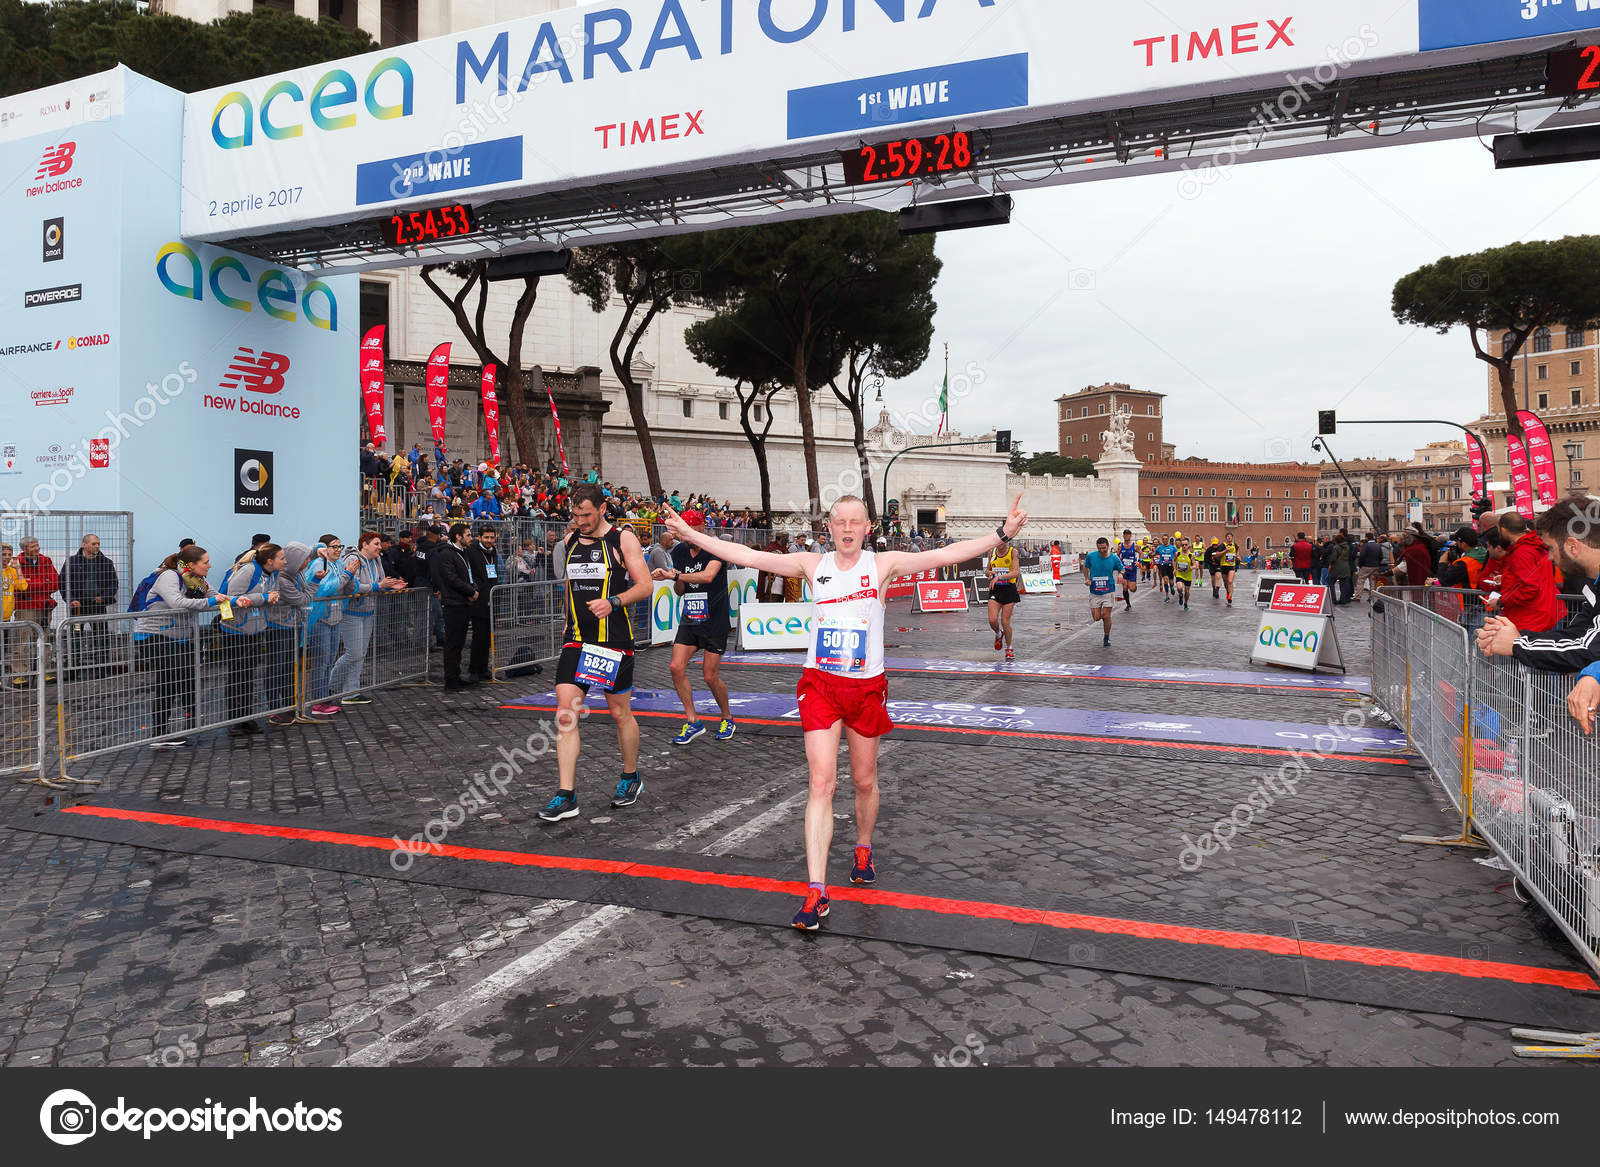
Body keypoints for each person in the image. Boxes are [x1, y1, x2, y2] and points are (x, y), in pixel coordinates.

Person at [661, 492, 1029, 930]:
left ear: (867, 527)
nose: (849, 529)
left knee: (863, 779)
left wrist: (1002, 534)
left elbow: (947, 552)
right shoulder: (812, 566)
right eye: (841, 522)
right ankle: (816, 890)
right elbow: (747, 554)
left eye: (856, 522)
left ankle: (863, 846)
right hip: (820, 685)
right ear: (830, 529)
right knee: (821, 781)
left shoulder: (884, 564)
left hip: (866, 688)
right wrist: (690, 534)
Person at [537, 483, 654, 823]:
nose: (580, 520)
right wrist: (566, 620)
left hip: (613, 641)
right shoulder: (570, 541)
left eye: (586, 514)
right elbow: (571, 588)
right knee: (565, 714)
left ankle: (631, 776)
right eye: (575, 515)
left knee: (620, 714)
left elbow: (645, 585)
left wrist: (614, 602)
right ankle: (566, 794)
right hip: (576, 640)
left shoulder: (623, 540)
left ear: (603, 508)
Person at [1478, 497, 1600, 730]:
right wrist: (1516, 638)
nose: (1550, 558)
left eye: (1551, 549)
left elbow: (1586, 648)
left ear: (1573, 546)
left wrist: (1518, 643)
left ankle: (1537, 723)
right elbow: (1578, 635)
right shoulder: (1594, 584)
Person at [133, 545, 260, 749]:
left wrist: (238, 601)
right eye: (206, 562)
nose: (210, 565)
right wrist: (212, 601)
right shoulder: (170, 577)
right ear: (191, 564)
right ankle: (161, 733)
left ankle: (181, 728)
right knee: (174, 677)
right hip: (154, 635)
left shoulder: (198, 580)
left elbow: (217, 597)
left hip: (178, 637)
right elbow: (176, 602)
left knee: (177, 679)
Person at [658, 510, 736, 744]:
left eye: (688, 531)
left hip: (714, 618)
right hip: (691, 616)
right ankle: (693, 721)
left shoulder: (714, 547)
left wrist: (676, 576)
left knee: (710, 675)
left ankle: (727, 717)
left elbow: (708, 576)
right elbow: (680, 590)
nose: (684, 537)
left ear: (701, 528)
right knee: (675, 667)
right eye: (682, 532)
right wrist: (674, 578)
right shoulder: (679, 551)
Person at [327, 531, 408, 706]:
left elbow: (378, 583)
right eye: (376, 544)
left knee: (360, 654)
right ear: (365, 544)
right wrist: (379, 586)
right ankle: (331, 685)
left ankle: (351, 691)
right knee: (353, 653)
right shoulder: (352, 559)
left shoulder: (376, 560)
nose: (380, 547)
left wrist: (390, 587)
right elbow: (352, 587)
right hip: (352, 613)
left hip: (368, 612)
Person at [221, 542, 285, 736]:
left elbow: (270, 594)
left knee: (249, 677)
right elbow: (230, 597)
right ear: (269, 560)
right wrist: (265, 598)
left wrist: (271, 597)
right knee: (237, 677)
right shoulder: (249, 571)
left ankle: (247, 718)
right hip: (237, 631)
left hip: (256, 629)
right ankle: (235, 720)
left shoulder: (272, 574)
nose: (285, 561)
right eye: (281, 558)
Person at [1483, 511, 1564, 633]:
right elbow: (1535, 577)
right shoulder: (1533, 546)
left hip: (1533, 619)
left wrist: (1500, 602)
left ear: (1504, 530)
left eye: (1499, 530)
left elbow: (1529, 588)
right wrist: (1506, 578)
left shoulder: (1522, 552)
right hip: (1544, 613)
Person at [433, 523, 480, 690]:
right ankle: (451, 680)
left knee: (460, 643)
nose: (471, 538)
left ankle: (456, 675)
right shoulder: (446, 554)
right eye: (467, 535)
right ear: (458, 536)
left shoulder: (463, 553)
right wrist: (470, 590)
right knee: (452, 643)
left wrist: (473, 588)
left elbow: (467, 574)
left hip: (464, 602)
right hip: (453, 603)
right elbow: (451, 578)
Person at [14, 538, 58, 682]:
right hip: (25, 607)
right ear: (24, 549)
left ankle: (45, 671)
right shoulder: (16, 563)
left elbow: (54, 584)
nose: (36, 549)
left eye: (37, 545)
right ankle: (20, 674)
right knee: (23, 640)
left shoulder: (46, 561)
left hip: (44, 606)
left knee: (44, 639)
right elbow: (19, 587)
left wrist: (30, 583)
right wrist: (42, 583)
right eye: (32, 547)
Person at [464, 525, 500, 682]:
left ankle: (484, 668)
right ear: (479, 537)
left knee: (487, 636)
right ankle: (474, 669)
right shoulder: (472, 551)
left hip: (491, 597)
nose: (489, 540)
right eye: (486, 537)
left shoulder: (493, 552)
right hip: (478, 598)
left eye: (492, 537)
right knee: (478, 636)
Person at [1082, 537, 1121, 646]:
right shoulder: (1091, 556)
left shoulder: (1114, 558)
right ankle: (1104, 622)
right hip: (1094, 591)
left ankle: (1106, 637)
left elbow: (1121, 568)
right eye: (1099, 548)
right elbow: (1085, 567)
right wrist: (1087, 578)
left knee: (1106, 615)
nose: (1102, 550)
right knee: (1096, 618)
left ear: (1108, 546)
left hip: (1109, 590)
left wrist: (1121, 574)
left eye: (1103, 548)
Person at [986, 538, 1021, 660]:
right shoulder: (992, 552)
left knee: (1005, 622)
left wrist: (999, 576)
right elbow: (987, 570)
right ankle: (998, 633)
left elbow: (1016, 573)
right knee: (992, 620)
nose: (999, 545)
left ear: (1006, 542)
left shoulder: (1013, 552)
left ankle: (1009, 648)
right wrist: (989, 573)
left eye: (1001, 542)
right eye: (997, 542)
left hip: (1009, 589)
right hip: (995, 589)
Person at [2, 544, 29, 687]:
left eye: (9, 555)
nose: (6, 558)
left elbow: (23, 586)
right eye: (4, 555)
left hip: (6, 618)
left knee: (3, 650)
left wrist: (18, 569)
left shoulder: (11, 571)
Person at [1355, 533, 1385, 603]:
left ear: (1366, 538)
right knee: (1372, 582)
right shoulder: (1378, 545)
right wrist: (1377, 563)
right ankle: (1372, 597)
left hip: (1366, 566)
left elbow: (1362, 556)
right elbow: (1381, 556)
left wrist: (1360, 565)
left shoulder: (1366, 545)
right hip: (1375, 566)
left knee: (1360, 580)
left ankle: (1358, 596)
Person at [1326, 532, 1354, 605]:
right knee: (1343, 585)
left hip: (1336, 567)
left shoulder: (1336, 547)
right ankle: (1343, 600)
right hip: (1346, 567)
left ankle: (1333, 599)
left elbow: (1333, 558)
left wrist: (1329, 560)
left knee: (1331, 583)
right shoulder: (1347, 547)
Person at [1115, 529, 1139, 610]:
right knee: (1124, 587)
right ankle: (1128, 604)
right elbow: (1117, 556)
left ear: (1130, 536)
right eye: (1125, 534)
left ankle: (1133, 585)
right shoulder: (1120, 546)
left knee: (1132, 589)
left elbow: (1141, 553)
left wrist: (1139, 561)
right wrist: (1118, 565)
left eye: (1128, 534)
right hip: (1124, 570)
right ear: (1123, 536)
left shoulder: (1135, 546)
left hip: (1132, 570)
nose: (1127, 536)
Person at [1173, 537, 1196, 610]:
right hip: (1180, 574)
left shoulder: (1191, 555)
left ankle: (1185, 603)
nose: (1184, 546)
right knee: (1179, 588)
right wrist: (1174, 569)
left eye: (1185, 545)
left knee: (1187, 592)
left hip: (1188, 576)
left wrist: (1193, 567)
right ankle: (1180, 595)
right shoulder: (1178, 553)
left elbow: (1195, 564)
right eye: (1182, 545)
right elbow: (1174, 560)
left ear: (1188, 545)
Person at [1218, 535, 1240, 605]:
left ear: (1232, 537)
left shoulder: (1234, 544)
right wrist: (1225, 550)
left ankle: (1230, 596)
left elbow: (1238, 549)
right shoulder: (1222, 545)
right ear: (1226, 538)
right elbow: (1218, 554)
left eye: (1230, 536)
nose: (1229, 538)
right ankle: (1228, 592)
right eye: (1228, 537)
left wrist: (1237, 555)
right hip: (1224, 565)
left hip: (1231, 565)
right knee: (1225, 582)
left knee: (1230, 581)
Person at [1155, 534, 1177, 601]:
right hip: (1163, 565)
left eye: (1166, 539)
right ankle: (1167, 596)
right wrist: (1150, 554)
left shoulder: (1172, 547)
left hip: (1170, 566)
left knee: (1171, 582)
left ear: (1168, 540)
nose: (1165, 540)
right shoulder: (1159, 547)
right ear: (1162, 540)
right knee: (1165, 580)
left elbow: (1177, 555)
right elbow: (1154, 553)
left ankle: (1172, 587)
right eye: (1163, 539)